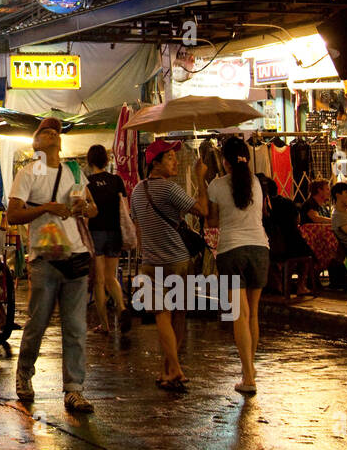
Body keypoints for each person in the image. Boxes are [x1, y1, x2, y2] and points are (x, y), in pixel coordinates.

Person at [8, 118, 98, 414]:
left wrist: (84, 208)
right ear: (35, 143)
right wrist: (46, 207)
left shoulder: (74, 171)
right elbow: (13, 215)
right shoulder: (28, 172)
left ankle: (74, 390)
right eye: (44, 132)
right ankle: (24, 374)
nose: (51, 134)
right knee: (37, 323)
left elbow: (93, 208)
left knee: (76, 328)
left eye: (55, 132)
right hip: (44, 258)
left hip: (75, 254)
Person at [128, 140, 208, 392]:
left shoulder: (137, 191)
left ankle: (166, 371)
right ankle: (175, 367)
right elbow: (203, 210)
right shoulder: (169, 189)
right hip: (177, 261)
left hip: (150, 263)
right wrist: (200, 178)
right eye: (170, 158)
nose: (175, 162)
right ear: (156, 163)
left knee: (162, 316)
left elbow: (138, 228)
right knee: (178, 315)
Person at [207, 139, 269, 395]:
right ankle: (249, 371)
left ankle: (248, 376)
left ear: (225, 160)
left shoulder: (217, 185)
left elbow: (211, 221)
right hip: (260, 249)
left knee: (238, 315)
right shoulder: (256, 182)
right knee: (252, 314)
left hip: (231, 251)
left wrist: (203, 183)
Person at [84, 143, 129, 334]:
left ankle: (105, 325)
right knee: (112, 277)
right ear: (106, 160)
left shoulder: (86, 182)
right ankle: (122, 308)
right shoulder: (117, 180)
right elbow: (124, 207)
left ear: (89, 161)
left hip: (96, 233)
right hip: (115, 232)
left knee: (99, 281)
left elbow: (85, 212)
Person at [260, 174, 312, 295]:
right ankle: (301, 285)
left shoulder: (261, 205)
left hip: (271, 245)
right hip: (294, 243)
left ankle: (278, 285)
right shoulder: (287, 202)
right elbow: (297, 220)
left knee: (268, 256)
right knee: (305, 253)